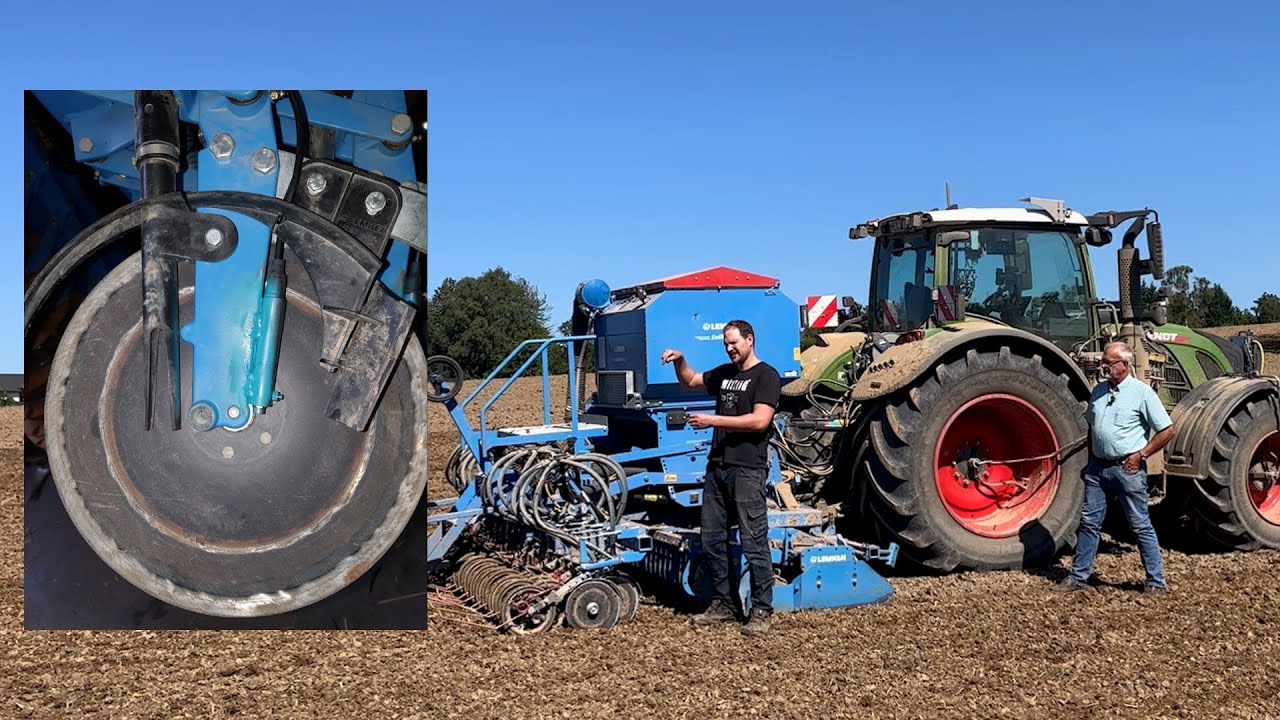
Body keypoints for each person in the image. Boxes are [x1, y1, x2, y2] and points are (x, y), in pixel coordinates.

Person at [661, 319, 781, 636]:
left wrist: (713, 420)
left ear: (750, 340)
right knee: (712, 539)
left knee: (754, 541)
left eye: (734, 343)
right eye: (725, 344)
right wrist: (680, 360)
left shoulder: (766, 376)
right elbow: (690, 382)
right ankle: (725, 604)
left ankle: (761, 610)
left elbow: (759, 421)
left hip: (748, 469)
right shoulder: (725, 374)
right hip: (718, 467)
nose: (729, 348)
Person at [1057, 341, 1177, 594]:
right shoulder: (1099, 391)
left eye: (1108, 363)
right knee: (1089, 523)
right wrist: (1091, 461)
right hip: (1098, 470)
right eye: (1103, 362)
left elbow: (1167, 430)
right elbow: (1092, 429)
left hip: (1127, 470)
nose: (1103, 366)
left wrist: (1142, 455)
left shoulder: (1142, 394)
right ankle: (1078, 577)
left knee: (1139, 524)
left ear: (1125, 364)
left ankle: (1156, 581)